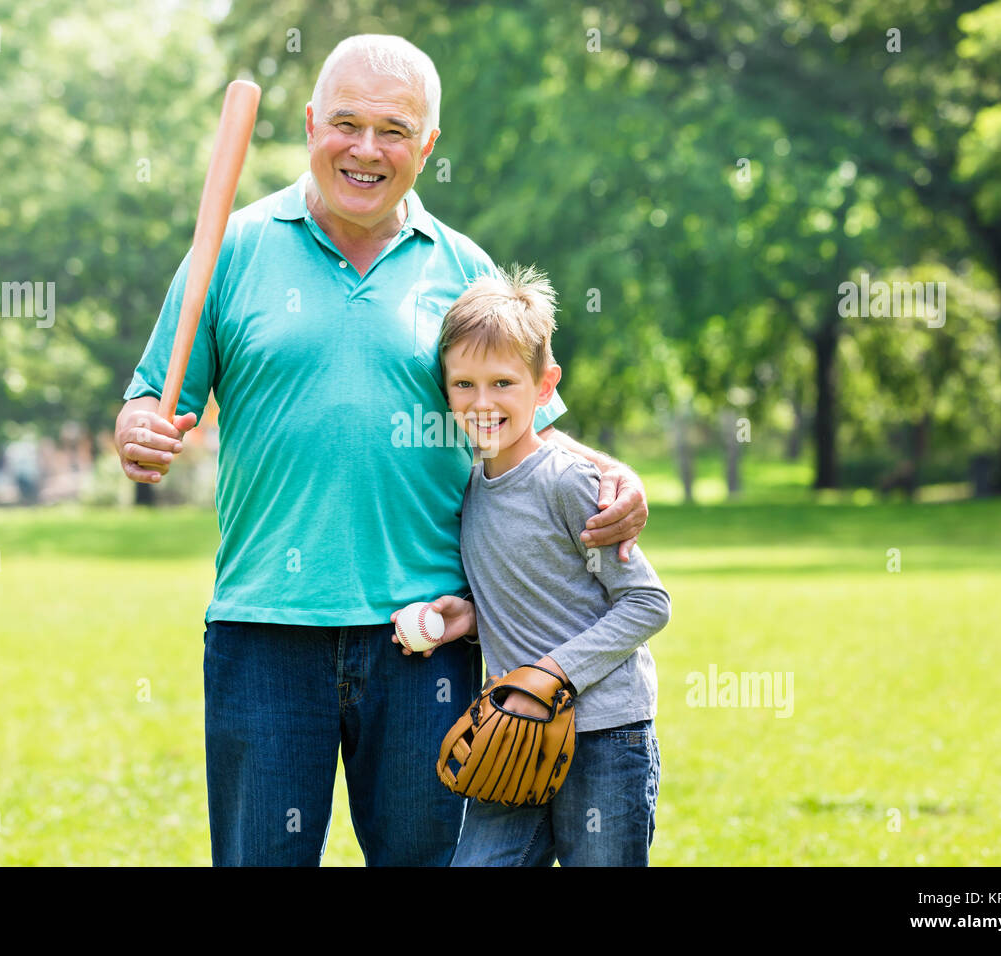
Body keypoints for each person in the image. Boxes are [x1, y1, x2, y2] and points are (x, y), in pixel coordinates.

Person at [113, 34, 651, 866]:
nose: (366, 149)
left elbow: (527, 427)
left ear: (427, 145)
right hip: (264, 627)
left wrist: (618, 477)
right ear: (309, 125)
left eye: (394, 130)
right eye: (346, 123)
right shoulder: (230, 248)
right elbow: (152, 397)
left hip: (427, 635)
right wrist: (138, 429)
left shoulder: (464, 270)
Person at [407, 264, 671, 866]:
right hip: (513, 736)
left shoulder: (569, 480)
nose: (482, 402)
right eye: (463, 385)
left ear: (545, 385)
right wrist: (468, 619)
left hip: (605, 734)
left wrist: (553, 675)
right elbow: (543, 594)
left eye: (503, 383)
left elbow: (648, 602)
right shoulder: (472, 489)